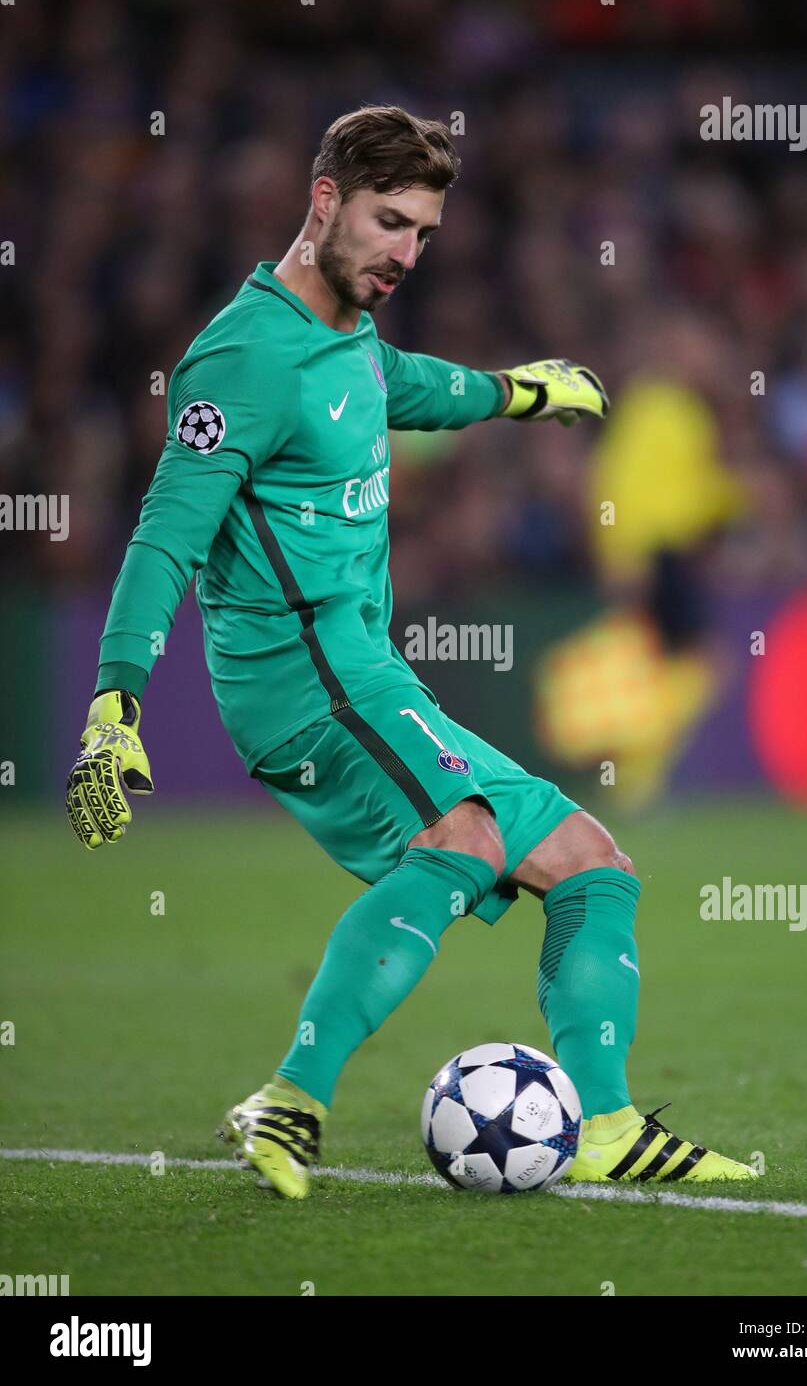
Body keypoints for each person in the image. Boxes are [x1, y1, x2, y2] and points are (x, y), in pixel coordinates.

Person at [65, 105, 756, 1198]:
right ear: (323, 199)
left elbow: (399, 388)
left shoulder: (343, 334)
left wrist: (518, 390)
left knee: (589, 860)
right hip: (299, 679)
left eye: (423, 234)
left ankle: (609, 1121)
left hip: (365, 669)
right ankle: (287, 1099)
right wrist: (116, 703)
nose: (404, 254)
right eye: (388, 222)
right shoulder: (241, 358)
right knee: (465, 833)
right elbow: (164, 536)